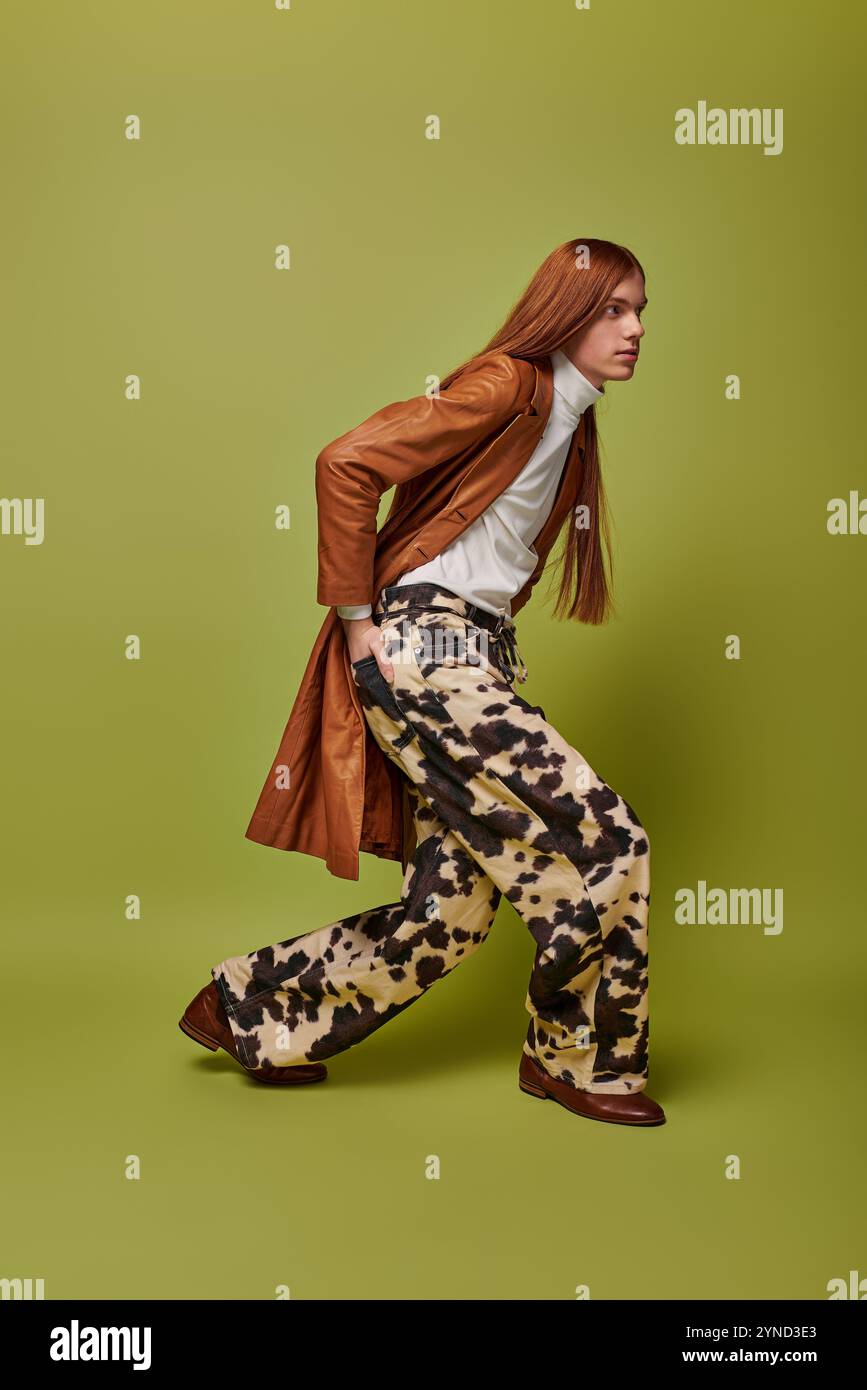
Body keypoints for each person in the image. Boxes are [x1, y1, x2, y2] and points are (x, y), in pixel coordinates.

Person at [180, 237, 666, 1126]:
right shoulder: (508, 384)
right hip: (424, 652)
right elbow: (347, 461)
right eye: (613, 309)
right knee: (608, 841)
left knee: (449, 912)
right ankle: (580, 1063)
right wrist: (360, 622)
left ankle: (252, 1008)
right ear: (565, 312)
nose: (635, 329)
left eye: (641, 311)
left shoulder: (569, 417)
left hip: (471, 656)